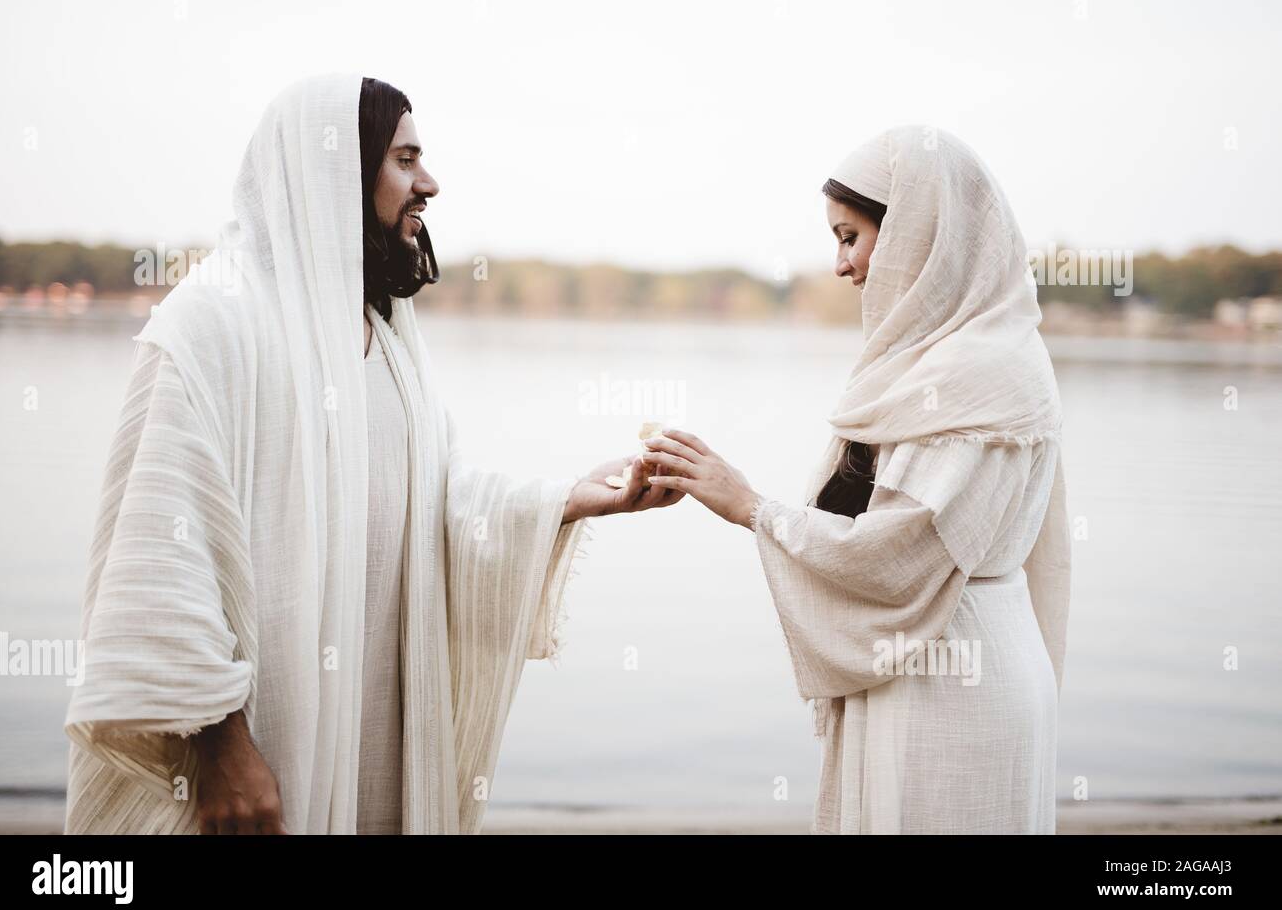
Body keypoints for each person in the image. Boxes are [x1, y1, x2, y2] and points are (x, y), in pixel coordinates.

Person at [64, 74, 679, 835]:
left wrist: (565, 499)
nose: (430, 183)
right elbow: (158, 554)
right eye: (404, 159)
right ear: (335, 170)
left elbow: (430, 498)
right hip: (255, 759)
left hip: (371, 749)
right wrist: (222, 747)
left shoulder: (383, 333)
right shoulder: (212, 324)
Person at [642, 126, 1072, 834]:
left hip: (951, 688)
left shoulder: (976, 374)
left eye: (851, 236)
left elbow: (895, 556)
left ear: (914, 235)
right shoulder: (963, 358)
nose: (841, 264)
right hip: (935, 659)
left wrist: (750, 506)